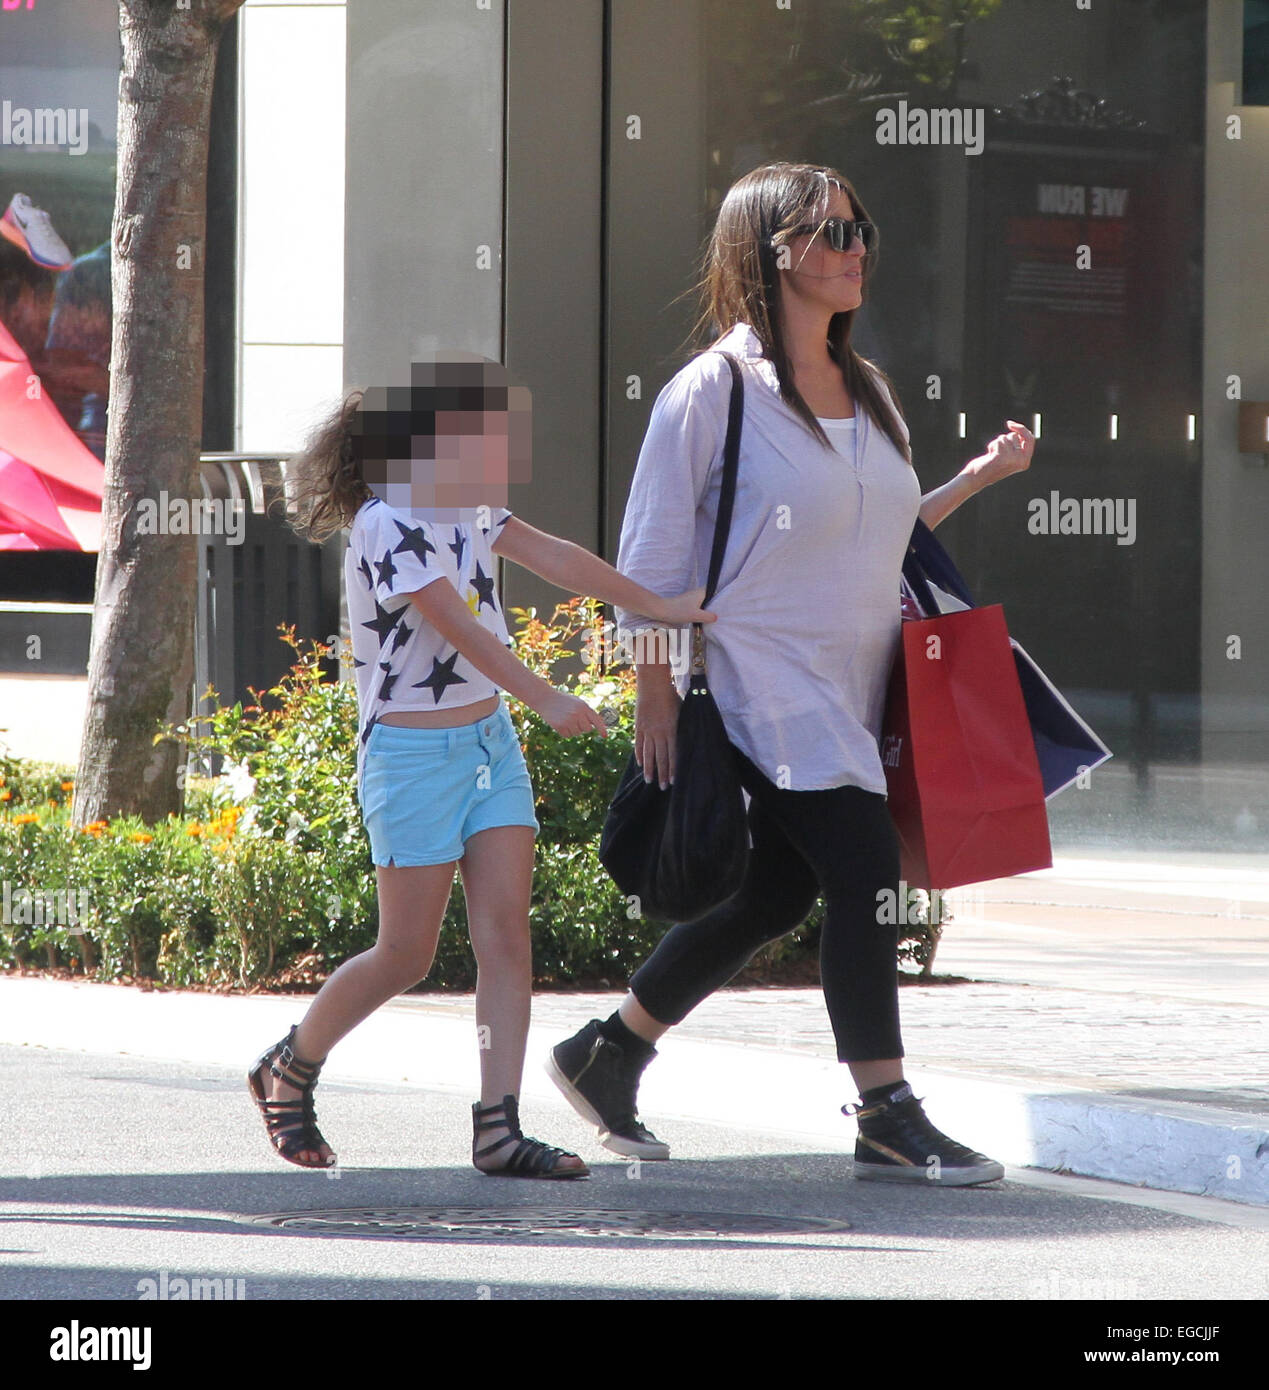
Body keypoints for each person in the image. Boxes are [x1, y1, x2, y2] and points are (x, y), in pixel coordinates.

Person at [547, 162, 1034, 1186]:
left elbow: (881, 536)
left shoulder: (869, 391)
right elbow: (652, 557)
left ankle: (610, 1050)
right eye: (831, 234)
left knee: (774, 893)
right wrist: (654, 700)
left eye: (862, 231)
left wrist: (977, 481)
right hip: (756, 683)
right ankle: (885, 1108)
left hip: (852, 686)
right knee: (862, 867)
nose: (856, 251)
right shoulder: (712, 394)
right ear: (766, 254)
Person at [247, 358, 715, 1180]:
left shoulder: (470, 508)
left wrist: (660, 604)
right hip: (411, 755)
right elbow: (457, 627)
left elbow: (559, 558)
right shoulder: (384, 523)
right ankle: (289, 1063)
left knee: (506, 938)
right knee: (407, 953)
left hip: (487, 747)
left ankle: (497, 1128)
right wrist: (546, 698)